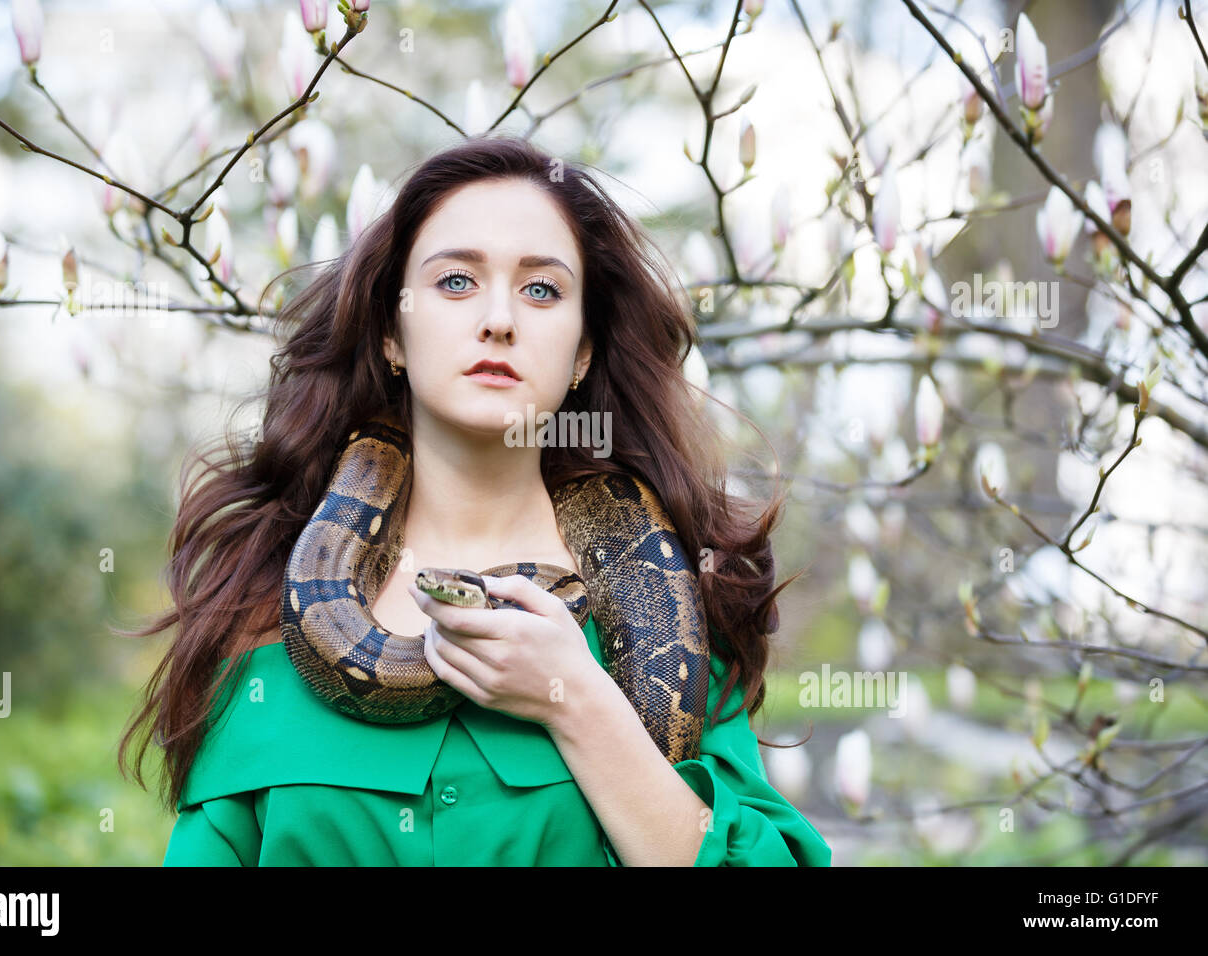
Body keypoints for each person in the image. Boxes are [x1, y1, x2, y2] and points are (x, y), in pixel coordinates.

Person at [116, 134, 831, 867]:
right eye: (456, 281)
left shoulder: (674, 604)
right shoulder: (261, 610)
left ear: (584, 351)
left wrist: (575, 700)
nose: (499, 318)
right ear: (392, 330)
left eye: (542, 288)